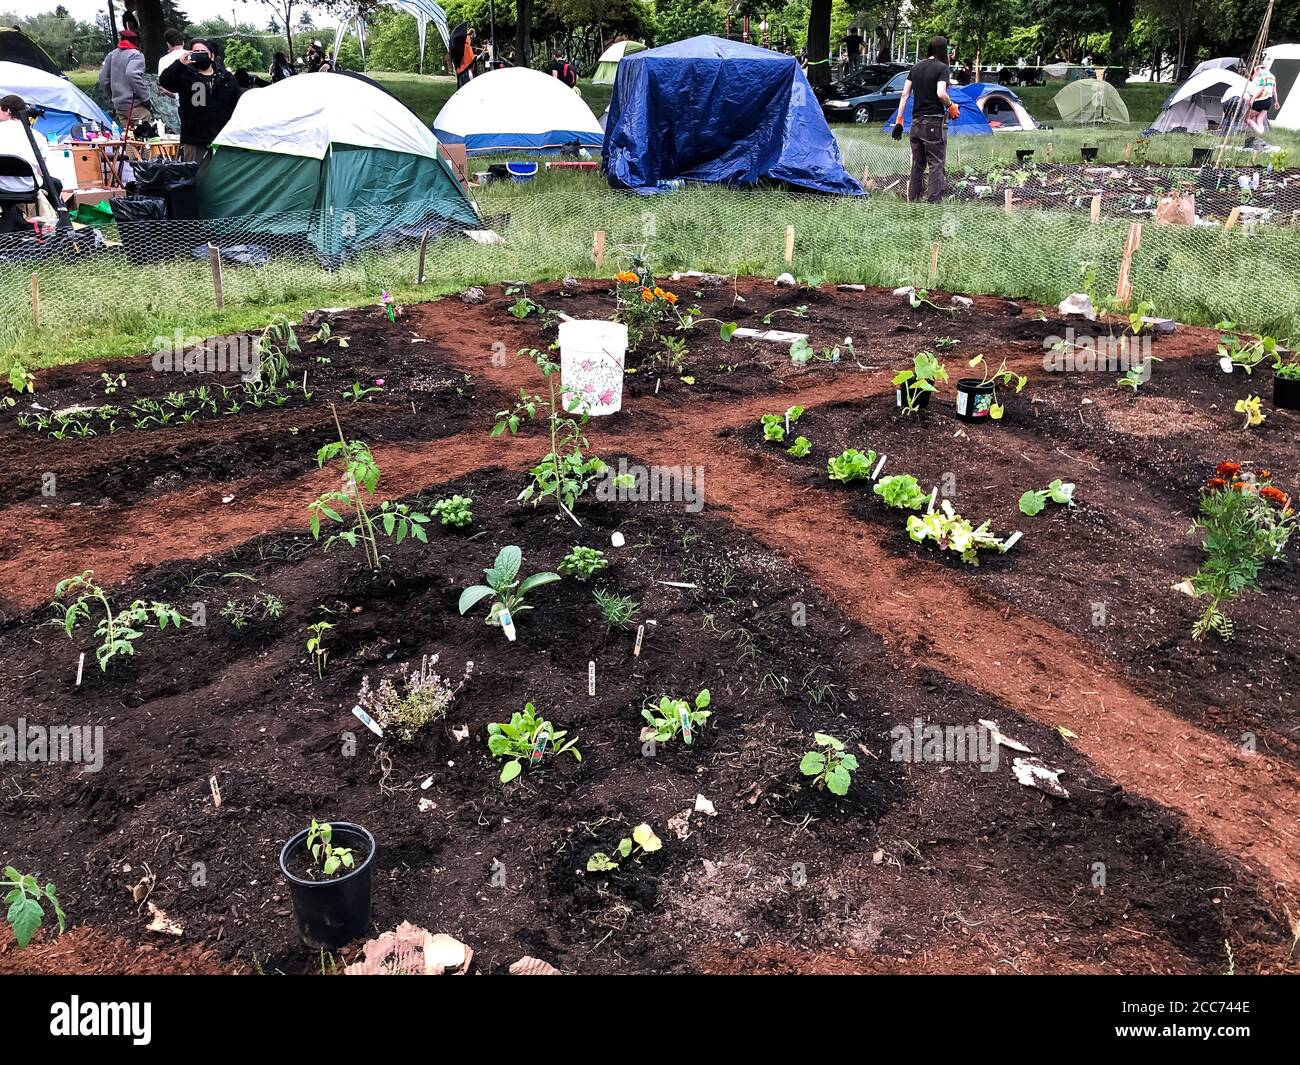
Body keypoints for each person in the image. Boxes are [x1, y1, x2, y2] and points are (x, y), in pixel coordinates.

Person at [891, 35, 960, 204]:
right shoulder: (942, 68)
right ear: (943, 50)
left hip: (915, 123)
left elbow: (905, 95)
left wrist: (899, 120)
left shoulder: (915, 67)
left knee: (918, 164)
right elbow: (941, 93)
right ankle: (933, 203)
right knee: (936, 164)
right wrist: (951, 105)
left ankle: (913, 200)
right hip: (933, 123)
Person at [158, 40, 241, 163]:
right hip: (195, 141)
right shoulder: (186, 74)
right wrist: (180, 63)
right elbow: (165, 81)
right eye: (196, 52)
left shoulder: (226, 77)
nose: (200, 54)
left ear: (212, 55)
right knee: (196, 178)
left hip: (222, 140)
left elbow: (237, 103)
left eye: (203, 52)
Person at [98, 28, 152, 132]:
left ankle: (130, 149)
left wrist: (113, 96)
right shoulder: (136, 55)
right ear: (136, 41)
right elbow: (132, 74)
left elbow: (103, 79)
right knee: (146, 137)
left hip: (119, 106)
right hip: (135, 105)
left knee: (128, 139)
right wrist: (145, 98)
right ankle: (146, 149)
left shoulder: (111, 55)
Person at [1245, 60, 1278, 136]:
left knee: (1247, 118)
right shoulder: (1272, 76)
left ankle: (1260, 133)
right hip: (1268, 101)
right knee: (1259, 120)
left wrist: (1252, 99)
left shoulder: (1260, 75)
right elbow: (1274, 91)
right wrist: (1276, 102)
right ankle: (1260, 134)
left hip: (1260, 99)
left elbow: (1261, 89)